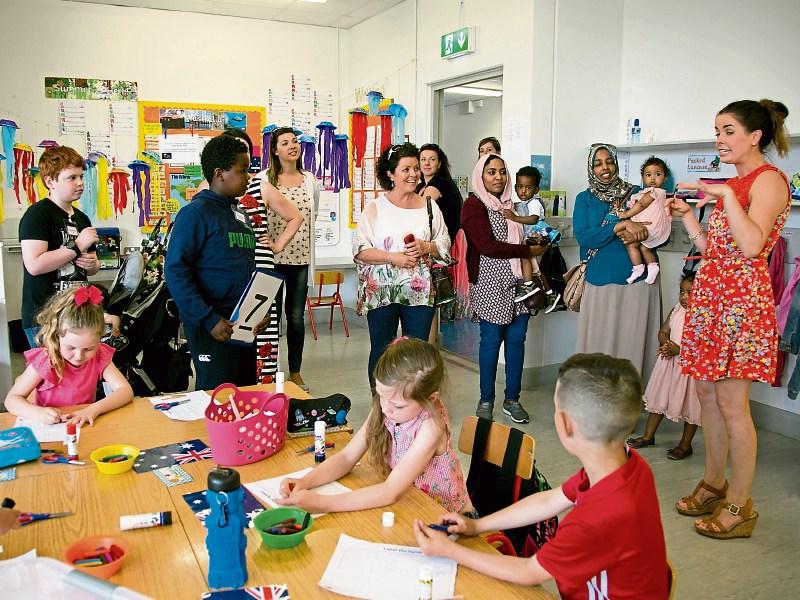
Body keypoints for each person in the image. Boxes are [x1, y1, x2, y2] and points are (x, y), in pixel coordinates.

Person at [413, 353, 669, 599]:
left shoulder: (595, 519)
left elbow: (529, 572)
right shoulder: (625, 465)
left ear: (566, 425)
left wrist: (450, 550)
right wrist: (477, 525)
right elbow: (550, 500)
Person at [670, 99, 791, 539]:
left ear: (755, 136)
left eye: (728, 131)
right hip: (712, 297)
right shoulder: (734, 185)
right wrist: (690, 218)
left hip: (741, 303)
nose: (719, 140)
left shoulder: (769, 180)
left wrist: (723, 197)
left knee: (733, 406)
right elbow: (715, 249)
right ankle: (713, 483)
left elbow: (753, 246)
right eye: (717, 131)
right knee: (707, 396)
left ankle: (740, 504)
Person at [276, 338, 475, 516]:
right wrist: (305, 482)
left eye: (397, 405)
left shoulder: (432, 427)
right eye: (381, 396)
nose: (386, 408)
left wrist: (322, 503)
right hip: (411, 505)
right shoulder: (387, 404)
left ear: (430, 399)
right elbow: (347, 457)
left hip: (450, 520)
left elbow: (390, 491)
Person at [165, 135, 270, 390]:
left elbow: (246, 267)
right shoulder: (194, 214)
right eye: (242, 170)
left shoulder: (240, 214)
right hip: (211, 325)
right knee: (216, 394)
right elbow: (175, 272)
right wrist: (208, 318)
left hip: (243, 326)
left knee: (244, 392)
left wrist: (258, 310)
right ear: (219, 174)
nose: (249, 177)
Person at [353, 143, 451, 391]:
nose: (413, 174)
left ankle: (413, 402)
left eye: (416, 168)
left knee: (417, 352)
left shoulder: (429, 206)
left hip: (420, 293)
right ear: (390, 174)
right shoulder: (375, 208)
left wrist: (426, 247)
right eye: (406, 169)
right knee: (381, 350)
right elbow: (360, 250)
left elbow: (444, 244)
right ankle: (380, 403)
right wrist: (393, 257)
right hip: (382, 292)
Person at [461, 154, 542, 424]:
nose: (498, 177)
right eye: (491, 172)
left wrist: (535, 242)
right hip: (490, 284)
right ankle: (486, 399)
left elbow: (526, 234)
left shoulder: (512, 206)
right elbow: (488, 246)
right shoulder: (473, 206)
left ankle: (512, 400)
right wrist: (527, 251)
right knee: (491, 342)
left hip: (519, 282)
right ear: (480, 176)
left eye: (502, 172)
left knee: (517, 341)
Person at [573, 143, 661, 382]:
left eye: (609, 162)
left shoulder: (637, 193)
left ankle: (632, 396)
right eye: (598, 164)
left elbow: (654, 228)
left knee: (632, 343)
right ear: (591, 168)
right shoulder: (584, 199)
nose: (605, 168)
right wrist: (620, 226)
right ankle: (597, 396)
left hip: (639, 282)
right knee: (599, 344)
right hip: (600, 280)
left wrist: (638, 230)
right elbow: (585, 237)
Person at [4, 285, 134, 427]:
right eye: (70, 347)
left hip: (82, 425)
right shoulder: (45, 360)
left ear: (99, 339)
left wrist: (93, 409)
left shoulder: (100, 354)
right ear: (57, 335)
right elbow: (11, 400)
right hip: (50, 428)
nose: (79, 356)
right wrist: (38, 413)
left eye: (88, 348)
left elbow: (125, 391)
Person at [19, 146, 100, 347]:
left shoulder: (82, 218)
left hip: (77, 314)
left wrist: (92, 264)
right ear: (50, 182)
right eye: (72, 178)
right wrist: (77, 246)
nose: (80, 183)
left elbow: (93, 267)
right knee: (52, 368)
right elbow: (35, 265)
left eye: (81, 176)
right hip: (45, 318)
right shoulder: (37, 215)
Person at [264, 127, 319, 391]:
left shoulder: (310, 180)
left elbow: (312, 214)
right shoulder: (265, 179)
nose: (292, 146)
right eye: (285, 143)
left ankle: (295, 372)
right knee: (271, 319)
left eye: (295, 141)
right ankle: (270, 371)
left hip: (300, 258)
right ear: (275, 150)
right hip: (272, 258)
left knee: (295, 317)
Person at [627, 272, 700, 460]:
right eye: (682, 292)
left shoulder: (704, 316)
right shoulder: (677, 309)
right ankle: (648, 436)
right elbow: (663, 331)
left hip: (688, 368)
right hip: (668, 365)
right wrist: (666, 344)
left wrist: (680, 350)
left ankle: (685, 445)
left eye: (690, 293)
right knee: (658, 400)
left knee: (691, 405)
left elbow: (703, 347)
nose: (684, 297)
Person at [417, 143, 463, 335]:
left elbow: (418, 209)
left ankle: (429, 345)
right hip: (432, 245)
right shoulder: (422, 185)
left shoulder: (439, 184)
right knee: (429, 302)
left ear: (440, 163)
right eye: (423, 159)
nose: (426, 163)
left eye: (432, 159)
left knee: (430, 302)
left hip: (441, 247)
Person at [503, 166, 561, 312]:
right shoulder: (521, 204)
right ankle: (550, 294)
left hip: (537, 235)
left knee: (523, 254)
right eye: (520, 187)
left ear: (536, 190)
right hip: (532, 236)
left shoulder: (534, 202)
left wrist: (514, 217)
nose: (523, 191)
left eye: (528, 187)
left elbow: (533, 219)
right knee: (536, 267)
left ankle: (528, 285)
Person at [612, 156, 672, 284]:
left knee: (631, 245)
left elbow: (641, 205)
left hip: (649, 227)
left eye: (658, 174)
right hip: (653, 227)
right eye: (648, 175)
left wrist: (626, 214)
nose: (652, 178)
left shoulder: (654, 192)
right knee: (645, 248)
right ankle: (652, 267)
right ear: (643, 177)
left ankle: (638, 268)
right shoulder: (659, 193)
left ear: (665, 178)